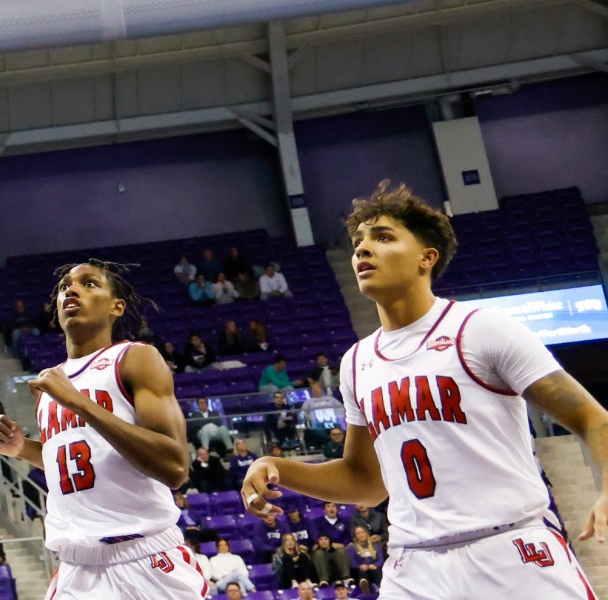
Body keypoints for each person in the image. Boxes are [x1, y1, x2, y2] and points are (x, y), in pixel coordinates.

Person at [242, 182, 608, 600]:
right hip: (413, 565)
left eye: (382, 237)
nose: (363, 249)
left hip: (510, 551)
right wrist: (277, 466)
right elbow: (365, 482)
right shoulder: (356, 362)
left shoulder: (480, 329)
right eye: (358, 241)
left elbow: (593, 419)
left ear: (426, 257)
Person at [0, 260, 198, 598]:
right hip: (76, 568)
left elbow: (174, 467)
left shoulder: (135, 358)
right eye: (64, 286)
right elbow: (83, 460)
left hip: (143, 559)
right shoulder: (50, 384)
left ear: (117, 307)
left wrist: (79, 402)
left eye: (89, 283)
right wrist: (22, 448)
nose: (71, 289)